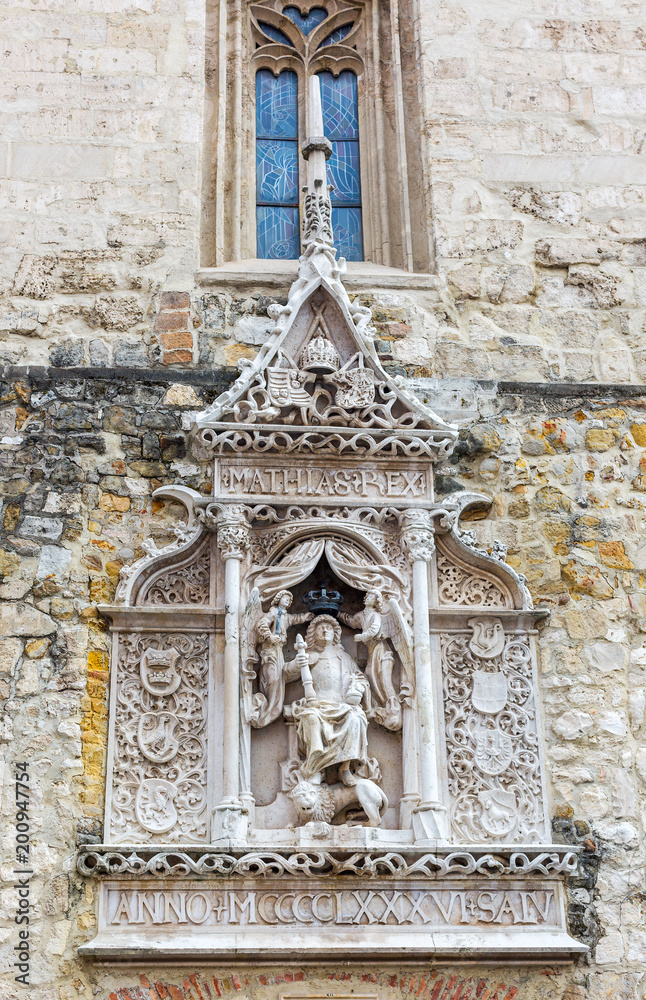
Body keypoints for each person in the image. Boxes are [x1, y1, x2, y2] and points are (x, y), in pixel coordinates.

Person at [287, 614, 372, 786]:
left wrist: (358, 687)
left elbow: (360, 677)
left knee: (356, 718)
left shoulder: (345, 658)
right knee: (311, 718)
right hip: (317, 705)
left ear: (336, 634)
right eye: (321, 628)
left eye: (329, 628)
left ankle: (345, 768)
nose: (325, 630)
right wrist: (296, 664)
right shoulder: (309, 655)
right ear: (313, 634)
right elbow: (286, 674)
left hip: (343, 705)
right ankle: (316, 767)